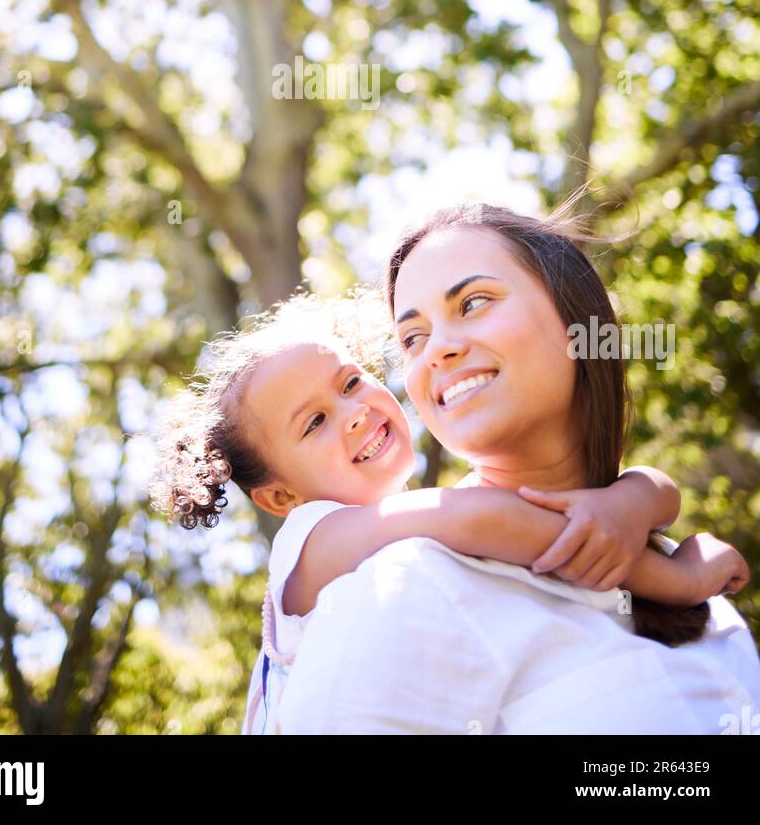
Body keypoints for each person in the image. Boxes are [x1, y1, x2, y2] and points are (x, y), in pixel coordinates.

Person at [147, 278, 746, 735]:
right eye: (316, 422)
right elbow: (487, 519)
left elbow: (545, 509)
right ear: (280, 497)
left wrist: (636, 497)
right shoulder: (310, 540)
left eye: (350, 382)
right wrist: (671, 575)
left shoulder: (423, 528)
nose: (353, 410)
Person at [271, 202, 760, 734]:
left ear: (577, 322)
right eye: (412, 338)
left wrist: (642, 505)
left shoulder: (708, 610)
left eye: (473, 302)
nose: (437, 351)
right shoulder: (406, 583)